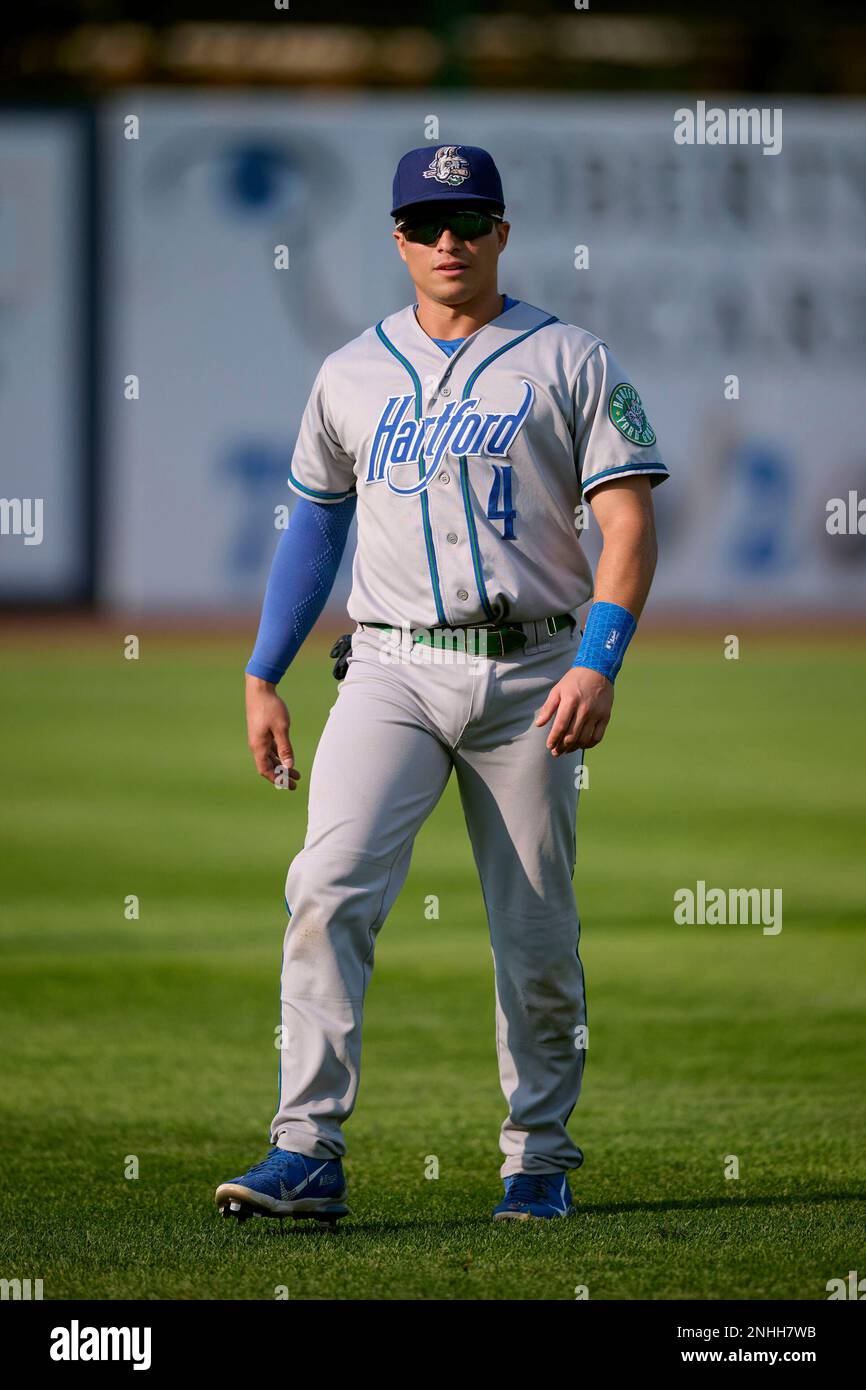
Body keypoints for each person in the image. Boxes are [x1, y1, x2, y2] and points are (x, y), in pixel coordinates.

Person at [215, 143, 668, 1225]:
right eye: (425, 223)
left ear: (502, 230)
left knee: (535, 933)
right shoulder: (348, 372)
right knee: (326, 890)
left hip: (534, 668)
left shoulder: (567, 356)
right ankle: (306, 1149)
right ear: (397, 240)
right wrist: (262, 671)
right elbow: (315, 526)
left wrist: (600, 661)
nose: (448, 241)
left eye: (468, 220)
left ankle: (537, 1159)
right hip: (389, 666)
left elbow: (626, 523)